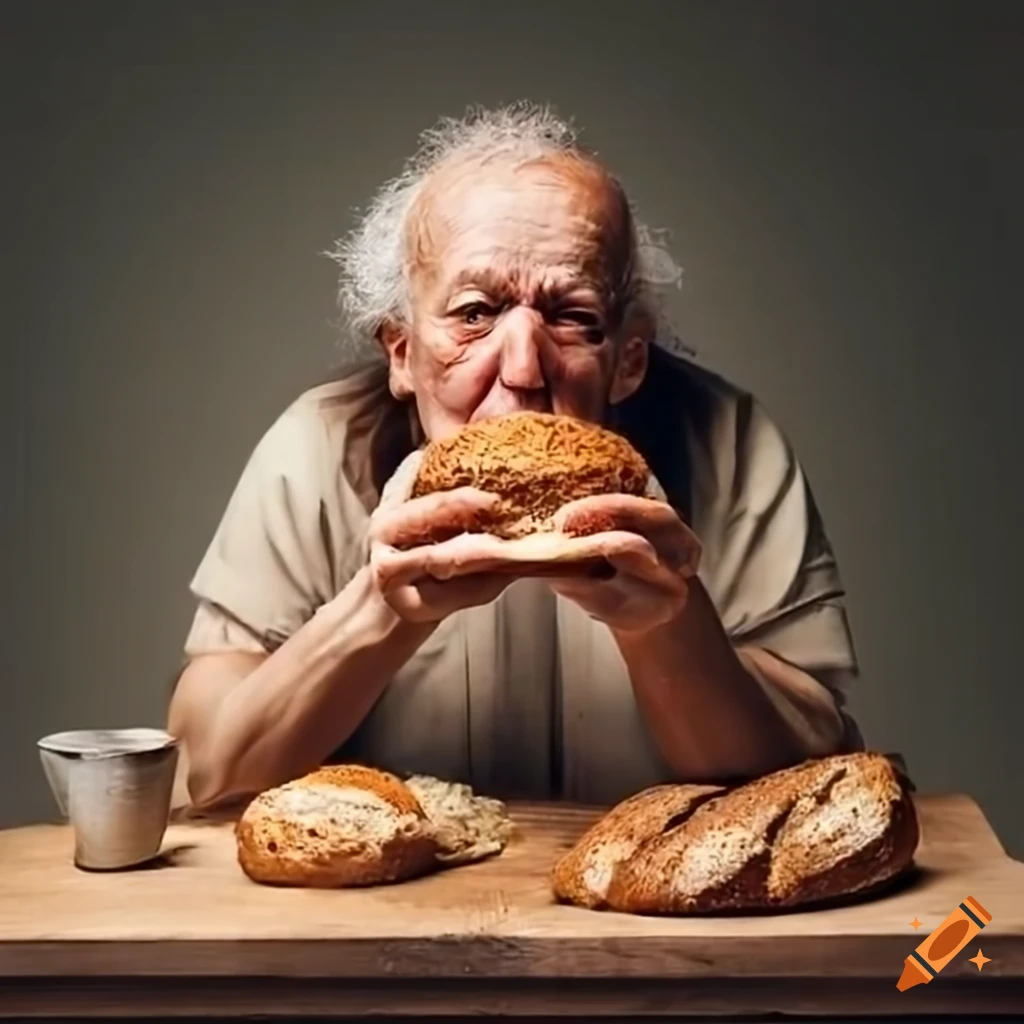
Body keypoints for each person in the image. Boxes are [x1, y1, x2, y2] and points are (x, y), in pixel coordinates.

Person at [168, 103, 863, 812]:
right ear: (401, 351)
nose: (524, 369)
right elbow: (207, 771)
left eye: (573, 316)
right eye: (474, 313)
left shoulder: (731, 443)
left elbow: (813, 779)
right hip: (398, 883)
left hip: (655, 883)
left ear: (628, 359)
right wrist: (377, 611)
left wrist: (669, 625)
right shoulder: (317, 448)